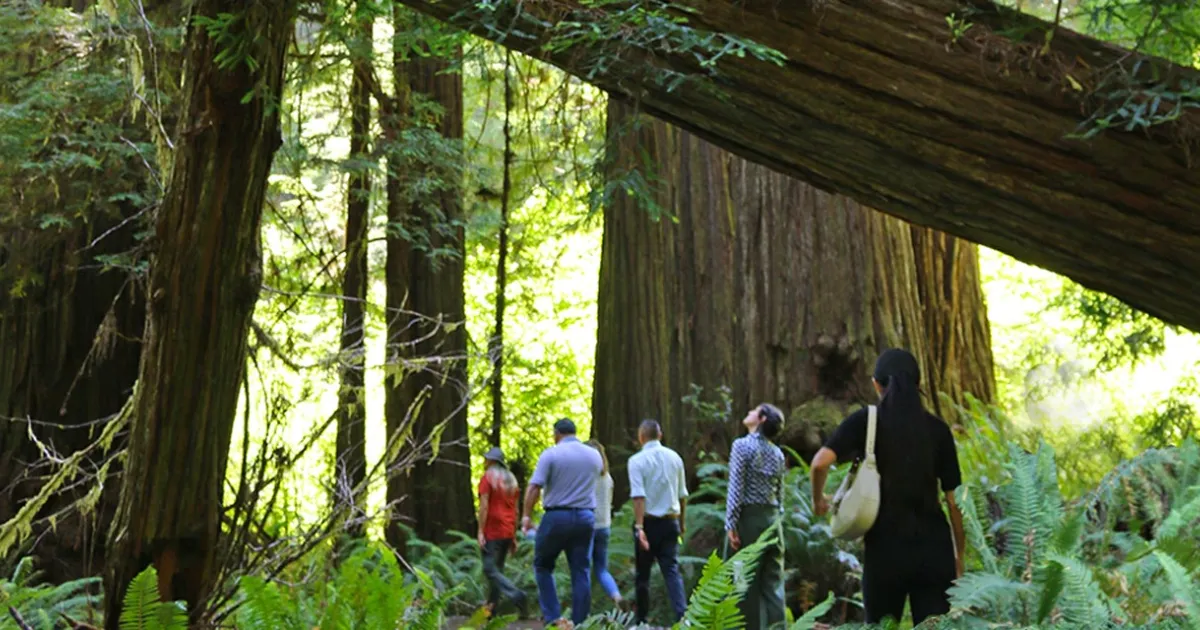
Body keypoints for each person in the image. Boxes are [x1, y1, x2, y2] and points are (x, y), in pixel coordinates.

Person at [810, 348, 967, 625]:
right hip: (934, 551)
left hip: (885, 553)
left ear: (876, 384)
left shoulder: (865, 422)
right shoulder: (938, 430)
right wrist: (959, 555)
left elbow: (819, 464)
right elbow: (955, 503)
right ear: (919, 385)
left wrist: (819, 501)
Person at [522, 418, 604, 626]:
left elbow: (534, 487)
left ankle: (553, 619)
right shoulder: (594, 456)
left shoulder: (551, 454)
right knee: (580, 570)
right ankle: (580, 622)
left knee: (543, 565)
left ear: (557, 433)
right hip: (586, 517)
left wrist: (526, 516)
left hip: (557, 517)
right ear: (575, 433)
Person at [724, 403, 787, 630]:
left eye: (753, 411)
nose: (748, 412)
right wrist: (777, 520)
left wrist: (731, 523)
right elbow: (781, 494)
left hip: (748, 522)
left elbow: (736, 486)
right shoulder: (778, 453)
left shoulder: (742, 446)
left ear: (760, 419)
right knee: (773, 585)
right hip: (772, 523)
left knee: (742, 583)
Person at [627, 419, 689, 624]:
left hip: (648, 523)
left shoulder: (636, 461)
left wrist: (639, 527)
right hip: (671, 522)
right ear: (660, 435)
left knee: (642, 575)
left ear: (640, 436)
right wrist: (682, 523)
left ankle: (642, 621)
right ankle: (682, 618)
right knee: (672, 571)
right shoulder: (675, 458)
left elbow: (638, 496)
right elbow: (682, 494)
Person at [476, 447, 529, 617]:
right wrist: (513, 536)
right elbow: (515, 510)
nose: (484, 462)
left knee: (489, 569)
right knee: (497, 570)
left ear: (492, 461)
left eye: (486, 459)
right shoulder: (511, 480)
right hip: (506, 530)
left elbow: (484, 506)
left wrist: (480, 531)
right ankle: (492, 611)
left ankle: (517, 595)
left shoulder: (488, 478)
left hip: (493, 530)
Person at [586, 439, 626, 609]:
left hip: (588, 525)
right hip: (604, 526)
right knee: (602, 569)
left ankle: (582, 608)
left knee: (583, 568)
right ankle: (616, 596)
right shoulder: (607, 477)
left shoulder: (587, 477)